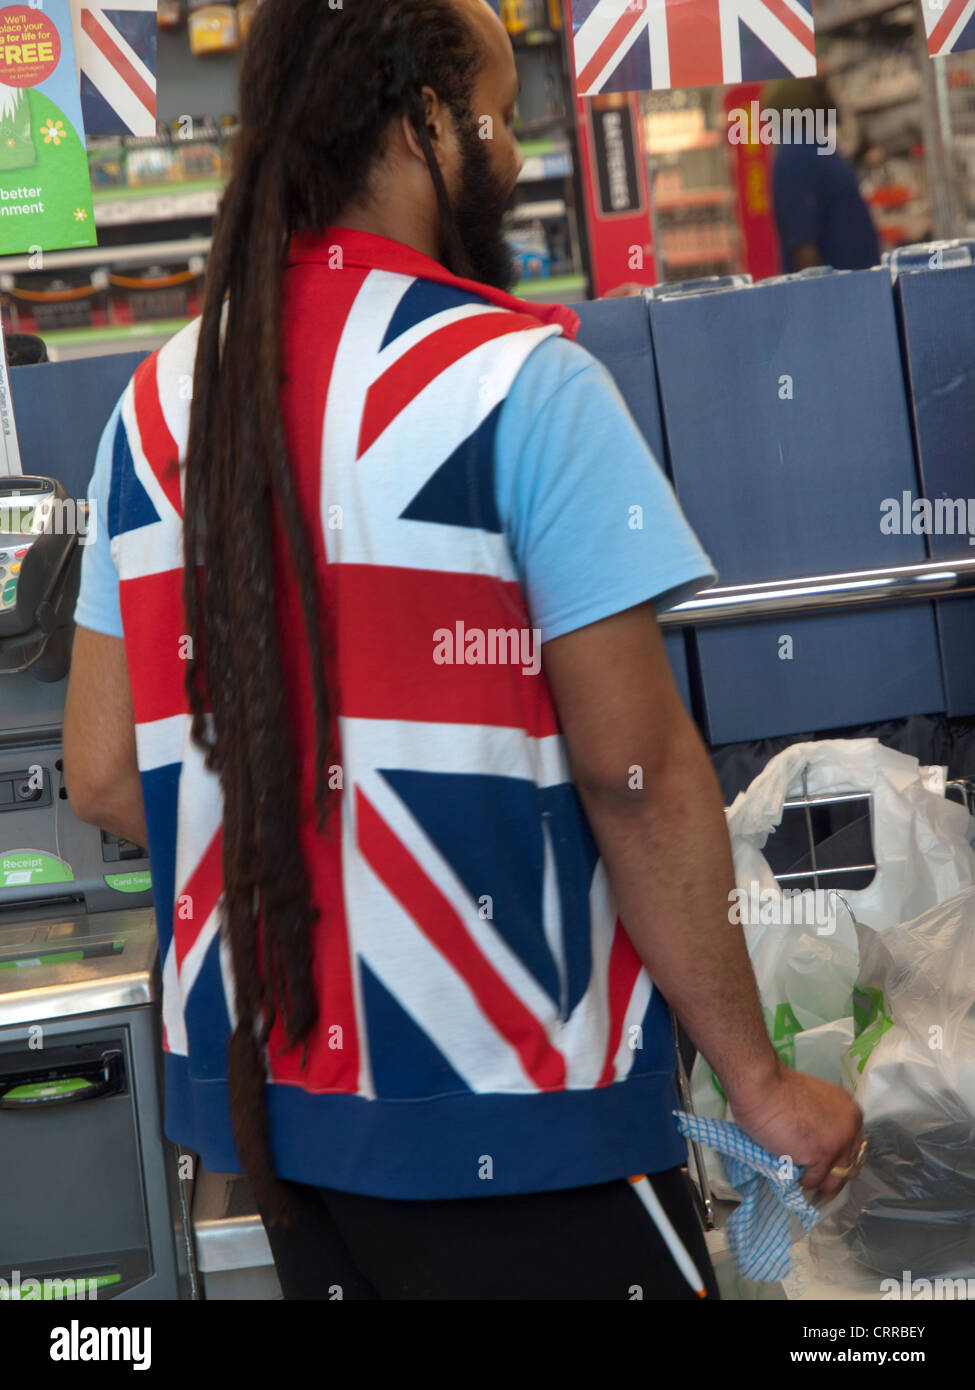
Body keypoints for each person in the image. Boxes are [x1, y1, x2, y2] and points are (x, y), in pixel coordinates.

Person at [64, 0, 862, 1300]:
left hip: (273, 1120)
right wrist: (757, 1083)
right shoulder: (521, 383)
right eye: (494, 117)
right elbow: (636, 776)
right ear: (421, 122)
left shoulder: (151, 406)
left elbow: (105, 771)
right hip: (522, 1112)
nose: (508, 150)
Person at [766, 77, 880, 273]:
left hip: (854, 287)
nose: (832, 97)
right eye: (823, 91)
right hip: (839, 296)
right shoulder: (795, 156)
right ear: (804, 103)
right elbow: (803, 246)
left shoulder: (814, 147)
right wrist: (822, 300)